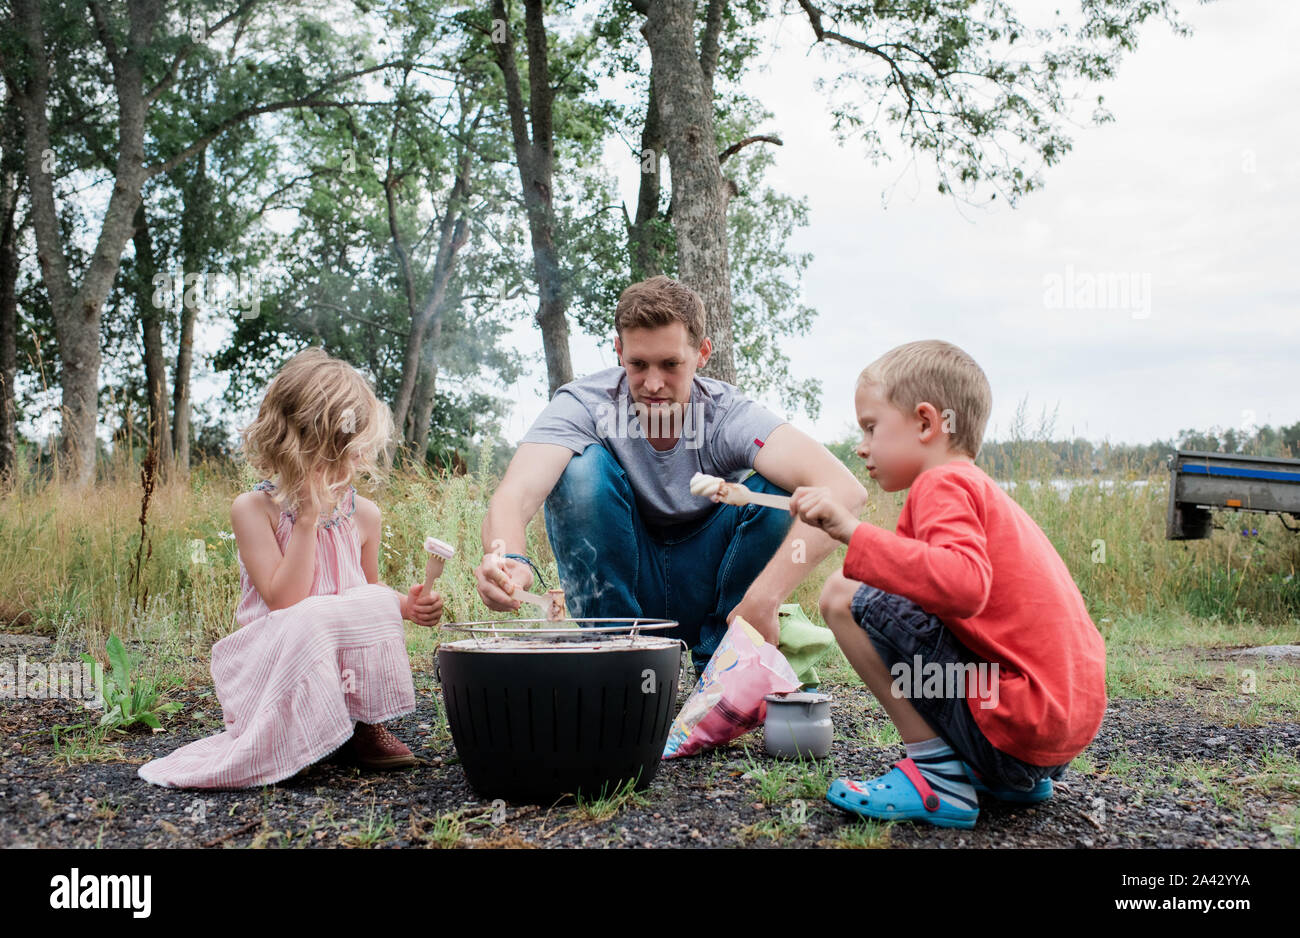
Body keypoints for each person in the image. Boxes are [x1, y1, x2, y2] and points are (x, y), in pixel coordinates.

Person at [474, 276, 867, 672]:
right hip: (622, 583)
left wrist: (766, 597)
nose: (653, 383)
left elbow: (844, 491)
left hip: (710, 584)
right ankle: (618, 663)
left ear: (702, 354)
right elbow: (515, 494)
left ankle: (723, 667)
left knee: (780, 491)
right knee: (580, 470)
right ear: (619, 351)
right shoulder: (584, 404)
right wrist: (508, 559)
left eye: (671, 364)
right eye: (638, 364)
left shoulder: (729, 416)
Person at [790, 339, 1107, 829]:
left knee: (842, 595)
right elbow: (933, 587)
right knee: (876, 584)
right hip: (1052, 737)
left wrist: (853, 532)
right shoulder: (977, 488)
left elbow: (963, 585)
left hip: (1019, 727)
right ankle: (994, 775)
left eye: (872, 427)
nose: (861, 445)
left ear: (925, 423)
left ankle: (938, 776)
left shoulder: (942, 484)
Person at [137, 348, 442, 790]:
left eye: (355, 455)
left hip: (338, 660)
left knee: (371, 599)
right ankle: (293, 731)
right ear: (297, 447)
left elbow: (365, 593)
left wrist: (405, 605)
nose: (351, 466)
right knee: (313, 613)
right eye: (339, 455)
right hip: (276, 655)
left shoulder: (366, 515)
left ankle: (359, 724)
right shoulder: (253, 509)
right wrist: (306, 519)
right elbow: (285, 601)